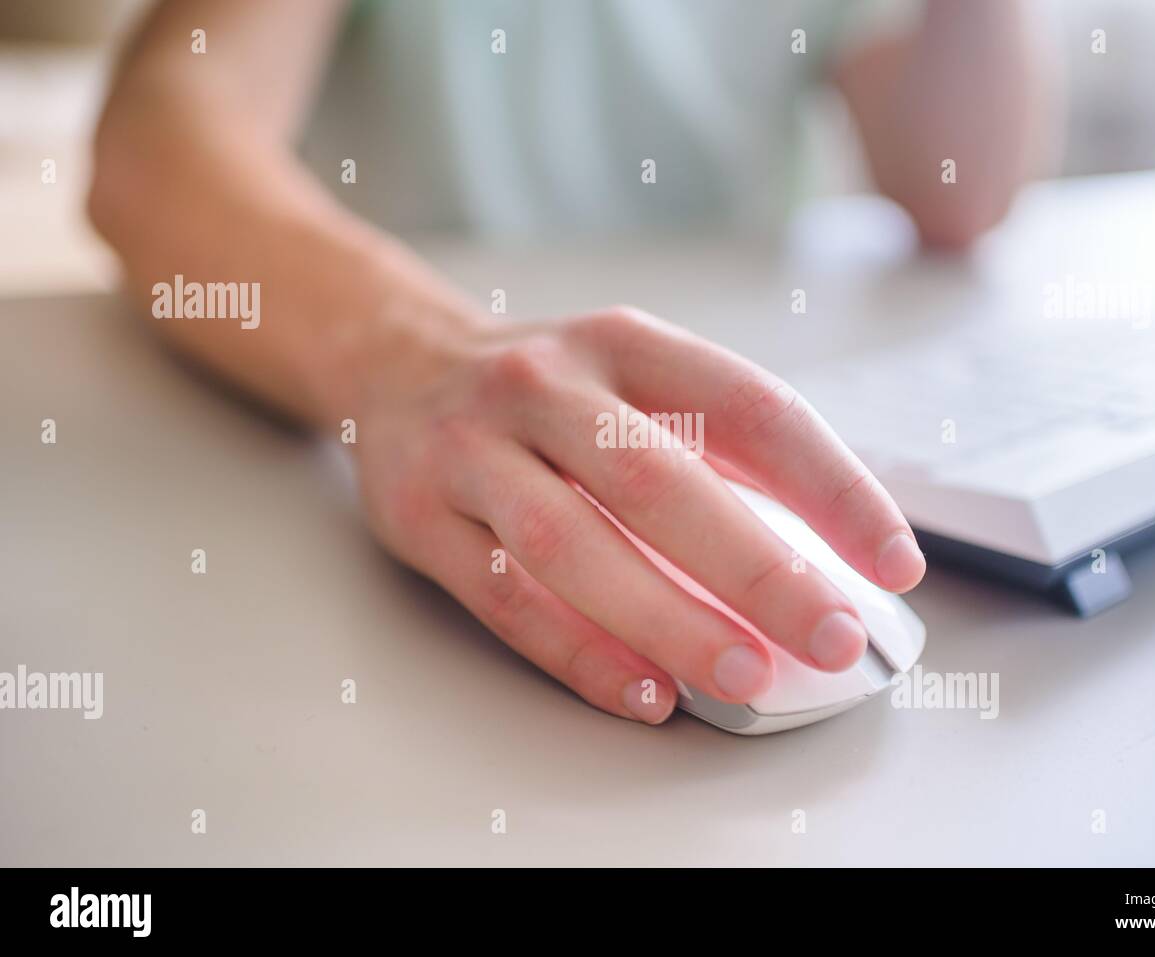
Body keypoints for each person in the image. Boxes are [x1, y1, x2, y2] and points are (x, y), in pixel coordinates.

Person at [88, 0, 1047, 725]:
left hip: (745, 395)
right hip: (388, 363)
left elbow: (957, 188)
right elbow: (157, 140)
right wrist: (414, 358)